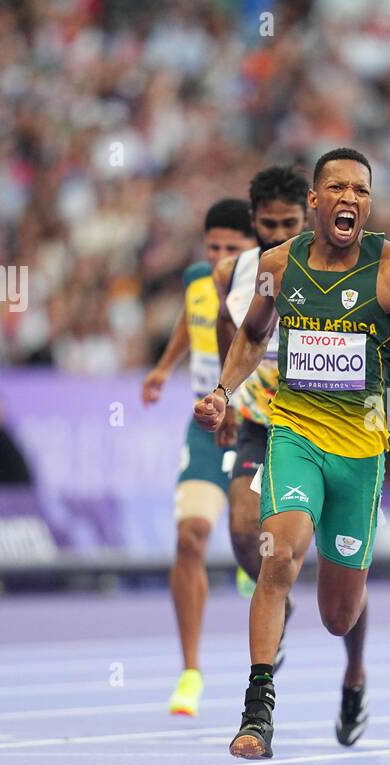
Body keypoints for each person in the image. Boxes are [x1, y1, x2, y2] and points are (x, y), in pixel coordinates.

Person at [194, 147, 390, 759]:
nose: (350, 199)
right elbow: (254, 335)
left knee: (338, 613)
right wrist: (223, 392)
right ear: (314, 201)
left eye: (361, 191)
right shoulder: (276, 267)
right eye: (336, 187)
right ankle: (258, 711)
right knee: (277, 551)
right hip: (295, 434)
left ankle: (354, 672)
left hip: (361, 456)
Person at [141, 199, 255, 717]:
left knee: (253, 536)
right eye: (213, 247)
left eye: (233, 248)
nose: (220, 258)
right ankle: (190, 671)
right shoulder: (195, 279)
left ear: (252, 249)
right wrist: (165, 367)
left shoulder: (271, 285)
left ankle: (251, 559)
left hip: (260, 424)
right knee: (190, 536)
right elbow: (191, 324)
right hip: (207, 421)